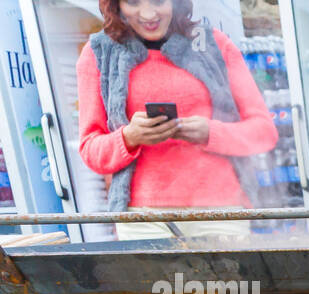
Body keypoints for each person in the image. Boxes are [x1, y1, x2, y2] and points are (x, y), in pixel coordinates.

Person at [77, 0, 277, 241]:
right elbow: (90, 149)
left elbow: (264, 132)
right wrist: (129, 138)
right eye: (132, 2)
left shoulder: (214, 44)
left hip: (220, 213)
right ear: (115, 5)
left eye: (159, 0)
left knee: (227, 281)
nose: (148, 13)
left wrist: (210, 132)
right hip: (142, 219)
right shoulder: (98, 52)